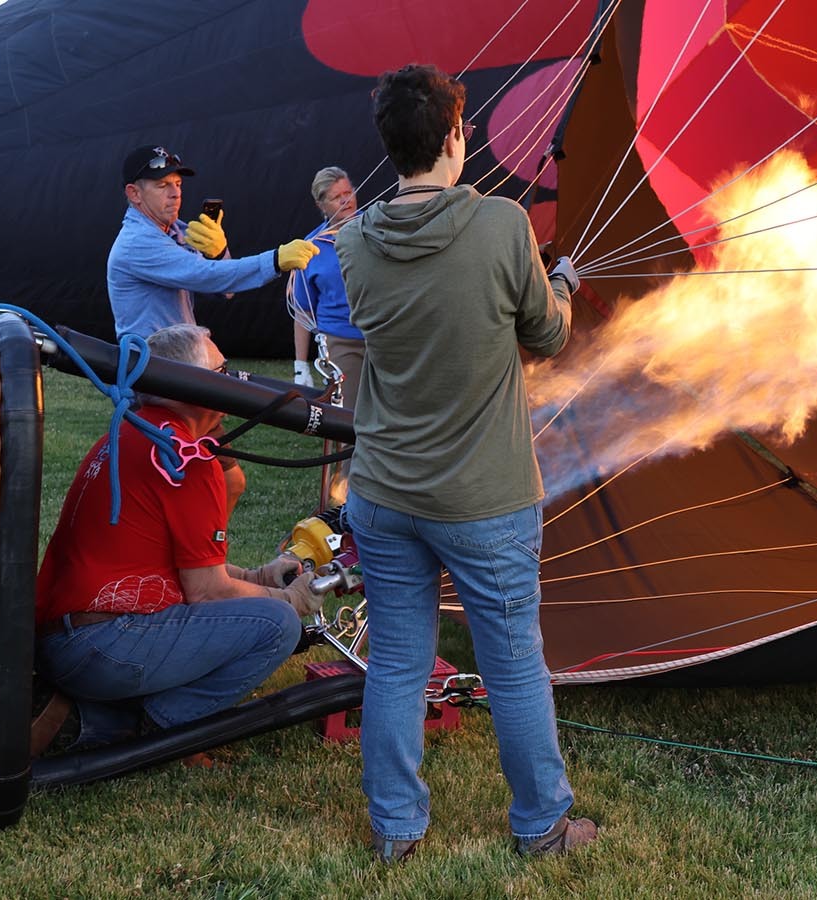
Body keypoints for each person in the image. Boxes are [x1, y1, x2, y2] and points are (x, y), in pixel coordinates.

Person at [334, 64, 591, 862]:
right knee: (514, 667)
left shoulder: (350, 242)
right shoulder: (503, 225)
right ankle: (542, 823)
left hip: (383, 491)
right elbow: (545, 338)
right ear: (453, 134)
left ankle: (395, 829)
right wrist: (563, 288)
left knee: (399, 665)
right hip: (484, 498)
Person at [31, 324, 321, 756]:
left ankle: (88, 721)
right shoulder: (184, 457)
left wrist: (260, 576)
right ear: (190, 385)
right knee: (276, 625)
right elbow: (206, 592)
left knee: (262, 607)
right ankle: (157, 729)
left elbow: (176, 568)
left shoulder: (135, 430)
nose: (234, 383)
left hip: (63, 643)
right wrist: (292, 601)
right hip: (100, 648)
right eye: (222, 372)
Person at [107, 144, 321, 516]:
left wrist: (220, 250)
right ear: (133, 194)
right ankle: (193, 564)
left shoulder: (174, 231)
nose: (175, 192)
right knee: (188, 486)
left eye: (177, 183)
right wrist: (275, 260)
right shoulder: (137, 244)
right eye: (162, 185)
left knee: (225, 482)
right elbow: (206, 277)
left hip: (184, 376)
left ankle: (201, 560)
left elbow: (226, 285)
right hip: (159, 385)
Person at [289, 166, 365, 406]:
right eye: (336, 197)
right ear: (321, 205)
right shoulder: (312, 247)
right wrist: (300, 366)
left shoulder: (377, 228)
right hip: (341, 340)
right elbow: (303, 310)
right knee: (346, 413)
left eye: (348, 192)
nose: (346, 200)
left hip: (382, 334)